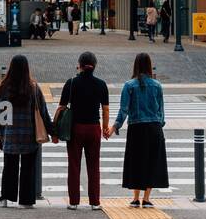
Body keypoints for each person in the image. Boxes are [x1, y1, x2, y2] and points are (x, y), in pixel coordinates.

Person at [0, 54, 56, 208]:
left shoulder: (3, 88)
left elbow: (0, 116)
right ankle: (26, 201)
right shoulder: (33, 88)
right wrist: (52, 131)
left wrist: (0, 134)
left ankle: (6, 198)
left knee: (9, 167)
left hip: (10, 135)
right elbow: (43, 112)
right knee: (28, 168)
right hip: (29, 135)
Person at [112, 52, 168, 208]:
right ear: (149, 66)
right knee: (152, 162)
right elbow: (161, 111)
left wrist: (115, 126)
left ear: (135, 65)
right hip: (154, 128)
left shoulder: (129, 85)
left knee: (136, 161)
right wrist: (159, 125)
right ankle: (147, 198)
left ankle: (135, 198)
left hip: (136, 128)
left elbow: (123, 109)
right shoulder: (157, 85)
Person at [56, 51, 109, 210]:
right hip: (94, 129)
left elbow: (61, 107)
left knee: (74, 165)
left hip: (75, 128)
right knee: (94, 166)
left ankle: (73, 202)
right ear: (95, 66)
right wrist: (105, 128)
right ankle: (94, 202)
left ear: (79, 65)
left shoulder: (71, 83)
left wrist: (55, 129)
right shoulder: (101, 84)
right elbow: (105, 109)